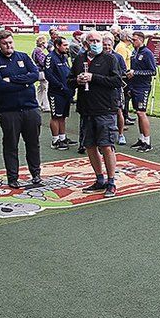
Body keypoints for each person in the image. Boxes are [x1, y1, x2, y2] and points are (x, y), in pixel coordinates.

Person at [68, 31, 123, 197]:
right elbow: (69, 81)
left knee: (106, 145)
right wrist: (77, 80)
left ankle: (111, 181)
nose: (96, 43)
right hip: (86, 109)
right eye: (92, 40)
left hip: (105, 109)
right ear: (85, 43)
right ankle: (99, 178)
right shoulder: (79, 59)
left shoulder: (110, 59)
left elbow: (117, 81)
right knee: (90, 145)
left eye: (98, 40)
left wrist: (94, 77)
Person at [0, 30, 43, 189]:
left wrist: (11, 80)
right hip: (8, 110)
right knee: (11, 145)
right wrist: (23, 83)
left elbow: (34, 75)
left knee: (33, 143)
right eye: (5, 43)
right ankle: (12, 177)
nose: (8, 46)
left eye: (10, 42)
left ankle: (36, 174)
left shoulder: (23, 57)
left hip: (30, 108)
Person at [127, 31, 158, 152]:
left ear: (141, 40)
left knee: (141, 112)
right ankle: (141, 139)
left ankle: (147, 142)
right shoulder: (135, 52)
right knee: (138, 112)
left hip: (143, 87)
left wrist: (135, 73)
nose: (132, 42)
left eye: (134, 40)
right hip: (134, 85)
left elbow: (152, 71)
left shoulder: (147, 53)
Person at [44, 37, 74, 151]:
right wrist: (60, 86)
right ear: (57, 45)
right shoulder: (50, 57)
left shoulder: (64, 57)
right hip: (56, 92)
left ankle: (62, 137)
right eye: (65, 45)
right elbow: (49, 74)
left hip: (66, 92)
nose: (67, 47)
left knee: (63, 116)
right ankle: (55, 140)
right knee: (56, 116)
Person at [102, 34, 128, 146]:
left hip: (116, 89)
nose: (107, 47)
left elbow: (124, 71)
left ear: (112, 45)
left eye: (109, 45)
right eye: (105, 45)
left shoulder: (118, 57)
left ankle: (121, 135)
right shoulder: (99, 56)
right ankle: (104, 136)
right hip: (102, 89)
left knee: (118, 111)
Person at [32, 35, 50, 114]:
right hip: (41, 72)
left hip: (38, 72)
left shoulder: (36, 50)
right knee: (46, 88)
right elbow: (43, 62)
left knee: (41, 88)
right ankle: (46, 106)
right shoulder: (38, 51)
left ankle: (38, 103)